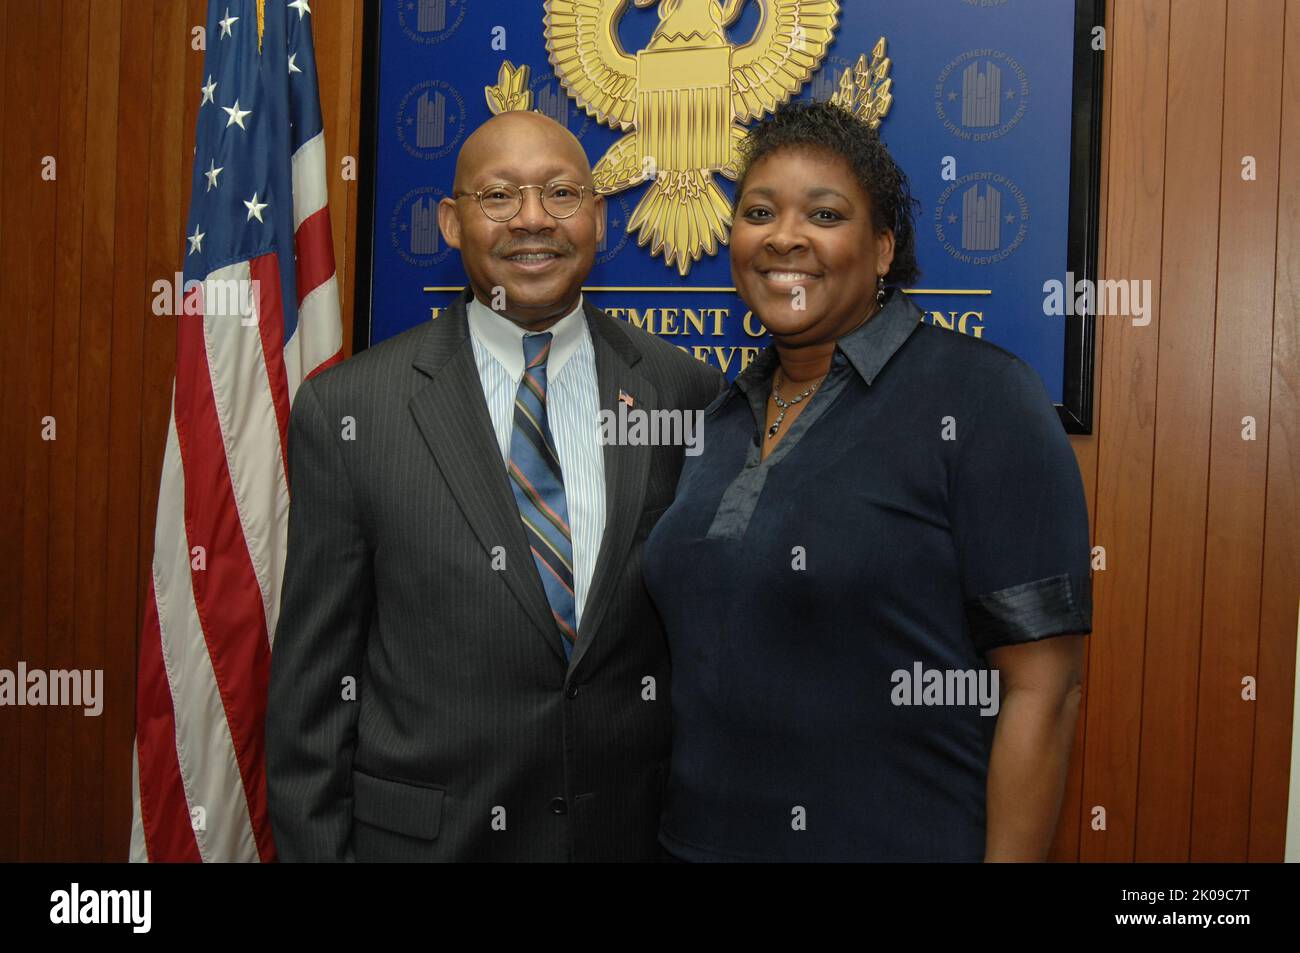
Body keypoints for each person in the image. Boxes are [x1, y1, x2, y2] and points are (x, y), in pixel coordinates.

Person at [266, 110, 724, 862]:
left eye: (562, 194)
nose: (533, 219)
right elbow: (313, 693)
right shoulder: (351, 410)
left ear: (599, 219)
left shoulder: (683, 393)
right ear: (451, 222)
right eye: (499, 196)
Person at [644, 100, 1092, 862]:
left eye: (823, 213)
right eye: (759, 211)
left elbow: (1044, 692)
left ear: (883, 249)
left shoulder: (982, 398)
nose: (784, 236)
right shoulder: (718, 417)